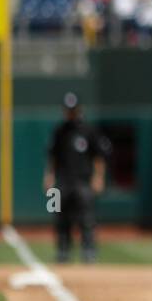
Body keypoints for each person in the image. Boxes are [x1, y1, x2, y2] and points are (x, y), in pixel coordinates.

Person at [43, 93, 110, 263]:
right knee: (58, 216)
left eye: (73, 110)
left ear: (78, 109)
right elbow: (52, 156)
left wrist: (99, 177)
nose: (70, 113)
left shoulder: (88, 130)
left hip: (83, 181)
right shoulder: (59, 131)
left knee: (87, 219)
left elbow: (99, 156)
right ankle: (62, 250)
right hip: (61, 182)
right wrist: (49, 176)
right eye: (68, 110)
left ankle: (88, 251)